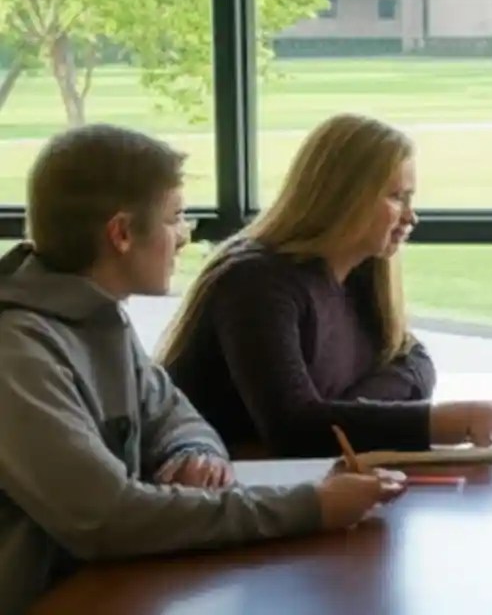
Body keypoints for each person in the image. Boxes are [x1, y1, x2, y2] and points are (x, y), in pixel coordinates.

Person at [0, 125, 406, 613]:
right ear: (122, 233)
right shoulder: (18, 351)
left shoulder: (99, 318)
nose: (186, 236)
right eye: (176, 217)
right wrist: (313, 507)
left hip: (116, 586)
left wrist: (192, 453)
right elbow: (109, 518)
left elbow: (179, 417)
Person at [157, 114, 492, 457]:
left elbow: (414, 363)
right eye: (397, 197)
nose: (411, 217)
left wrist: (339, 414)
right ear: (343, 196)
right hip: (229, 496)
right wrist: (436, 423)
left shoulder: (362, 272)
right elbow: (294, 431)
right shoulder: (255, 283)